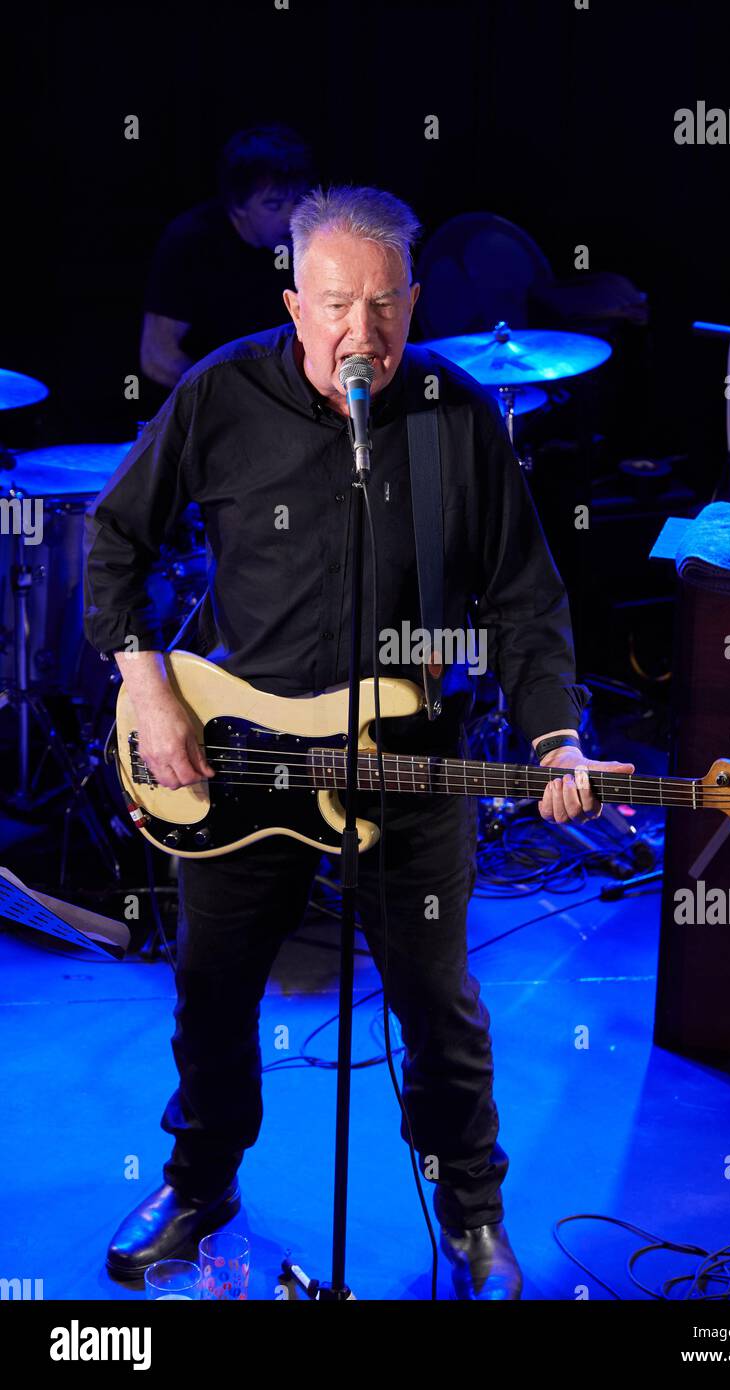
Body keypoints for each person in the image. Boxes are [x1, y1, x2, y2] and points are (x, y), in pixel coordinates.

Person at [83, 185, 635, 1300]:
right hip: (239, 756)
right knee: (212, 989)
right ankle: (199, 1182)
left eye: (384, 306)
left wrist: (556, 741)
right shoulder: (219, 394)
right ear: (294, 301)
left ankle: (471, 1217)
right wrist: (149, 689)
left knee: (437, 1005)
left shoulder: (455, 416)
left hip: (412, 761)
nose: (361, 334)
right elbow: (114, 542)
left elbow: (527, 598)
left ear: (414, 299)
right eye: (336, 304)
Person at [140, 124, 314, 390]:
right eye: (273, 205)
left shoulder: (314, 237)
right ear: (237, 206)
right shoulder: (191, 242)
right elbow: (158, 358)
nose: (291, 217)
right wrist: (228, 395)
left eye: (298, 201)